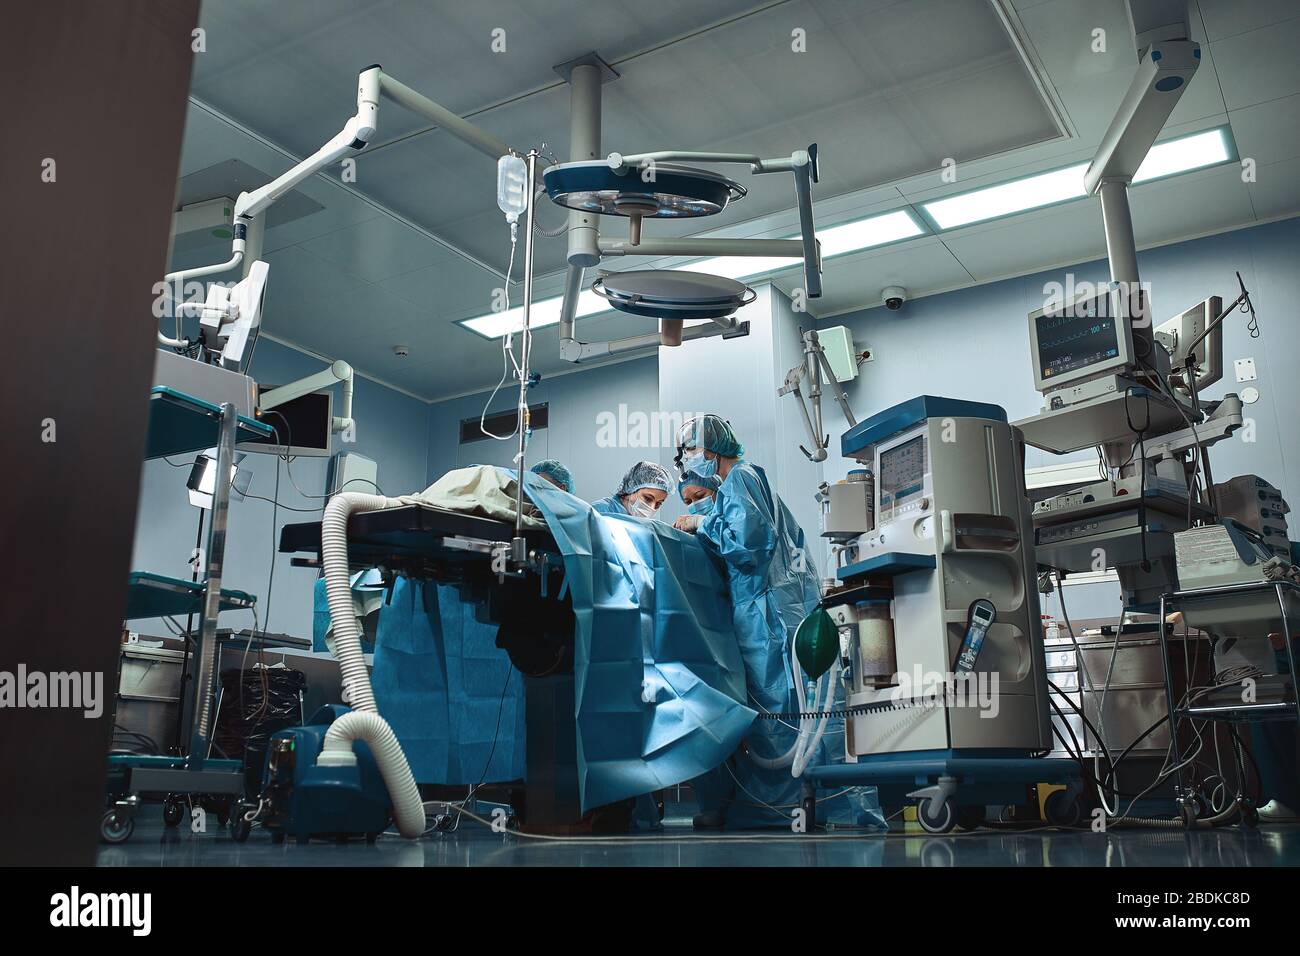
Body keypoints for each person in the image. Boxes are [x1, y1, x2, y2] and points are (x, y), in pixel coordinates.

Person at [673, 414, 825, 829]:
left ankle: (777, 809)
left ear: (712, 449)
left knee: (776, 712)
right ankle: (807, 802)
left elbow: (748, 546)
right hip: (780, 609)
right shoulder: (749, 483)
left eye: (691, 450)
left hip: (766, 616)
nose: (687, 461)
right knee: (795, 707)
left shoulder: (739, 478)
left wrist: (701, 524)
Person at [591, 460, 673, 518]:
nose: (652, 508)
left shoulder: (643, 524)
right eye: (648, 498)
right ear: (631, 489)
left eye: (658, 504)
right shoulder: (599, 511)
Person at [672, 465, 721, 531]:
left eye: (700, 496)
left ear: (718, 491)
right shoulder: (698, 530)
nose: (695, 505)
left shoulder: (735, 516)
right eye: (688, 502)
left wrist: (698, 521)